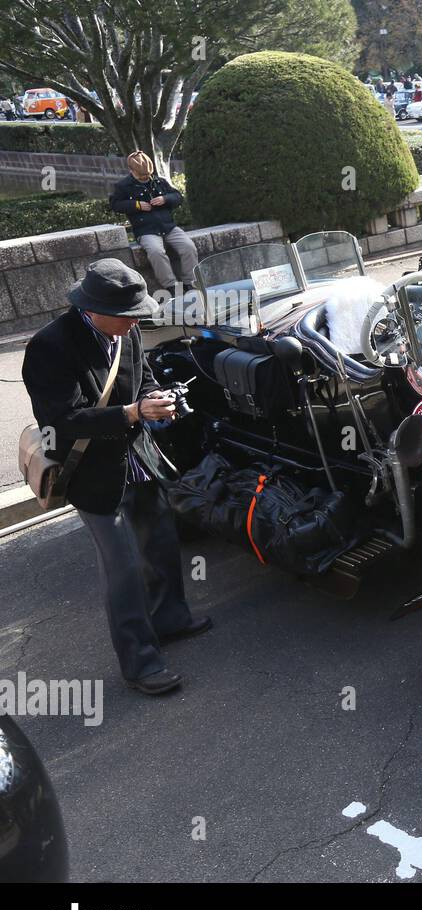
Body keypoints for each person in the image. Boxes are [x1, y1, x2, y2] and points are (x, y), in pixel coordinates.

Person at [22, 259, 211, 695]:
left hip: (137, 457)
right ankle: (141, 664)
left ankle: (171, 617)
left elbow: (140, 381)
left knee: (161, 540)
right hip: (92, 472)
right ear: (92, 308)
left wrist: (155, 398)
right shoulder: (49, 346)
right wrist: (129, 412)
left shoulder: (127, 332)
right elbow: (60, 420)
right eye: (127, 314)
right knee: (122, 568)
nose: (135, 321)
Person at [109, 151, 197, 299]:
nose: (145, 178)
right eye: (141, 176)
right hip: (146, 230)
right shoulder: (123, 186)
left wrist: (165, 199)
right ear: (131, 171)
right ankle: (172, 286)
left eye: (147, 175)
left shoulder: (159, 181)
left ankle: (191, 283)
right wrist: (136, 205)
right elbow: (115, 205)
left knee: (188, 246)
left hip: (168, 226)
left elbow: (178, 197)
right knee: (156, 252)